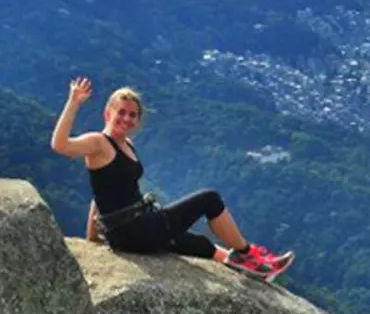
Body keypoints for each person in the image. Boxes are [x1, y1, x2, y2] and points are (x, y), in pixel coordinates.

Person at [51, 77, 294, 281]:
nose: (126, 119)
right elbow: (60, 145)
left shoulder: (127, 145)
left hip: (134, 229)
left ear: (138, 120)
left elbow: (102, 193)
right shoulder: (98, 143)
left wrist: (92, 237)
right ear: (107, 113)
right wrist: (73, 103)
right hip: (137, 230)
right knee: (209, 199)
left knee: (200, 244)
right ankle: (246, 253)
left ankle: (255, 270)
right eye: (121, 113)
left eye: (133, 115)